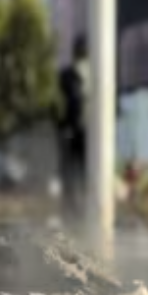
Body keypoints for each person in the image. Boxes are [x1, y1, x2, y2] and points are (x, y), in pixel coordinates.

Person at [57, 35, 89, 218]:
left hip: (78, 135)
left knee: (74, 176)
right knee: (75, 176)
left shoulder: (67, 76)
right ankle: (75, 212)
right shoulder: (69, 76)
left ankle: (75, 212)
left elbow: (60, 106)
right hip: (80, 135)